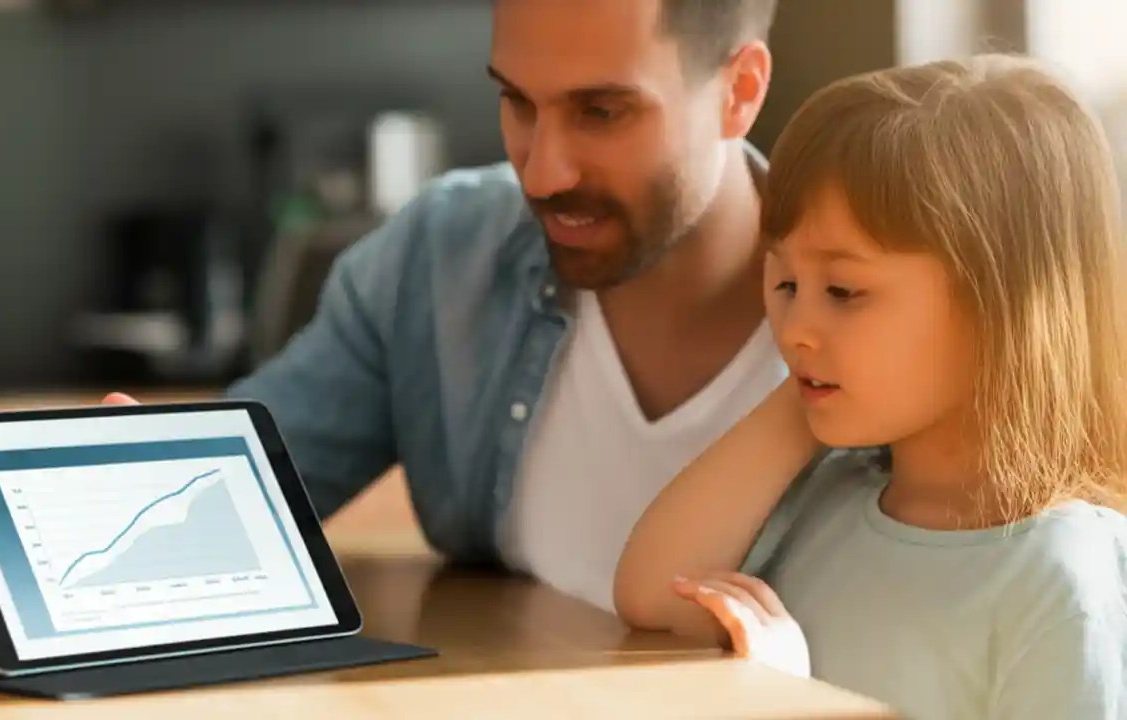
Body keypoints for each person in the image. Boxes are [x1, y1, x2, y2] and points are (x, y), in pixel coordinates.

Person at [107, 0, 790, 618]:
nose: (544, 173)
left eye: (601, 112)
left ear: (740, 91)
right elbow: (245, 495)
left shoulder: (877, 310)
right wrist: (145, 487)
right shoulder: (442, 258)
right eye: (518, 102)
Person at [616, 54, 1127, 718]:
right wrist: (813, 387)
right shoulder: (825, 497)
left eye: (844, 291)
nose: (795, 326)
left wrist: (789, 704)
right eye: (785, 283)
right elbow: (653, 596)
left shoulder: (1058, 577)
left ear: (1000, 305)